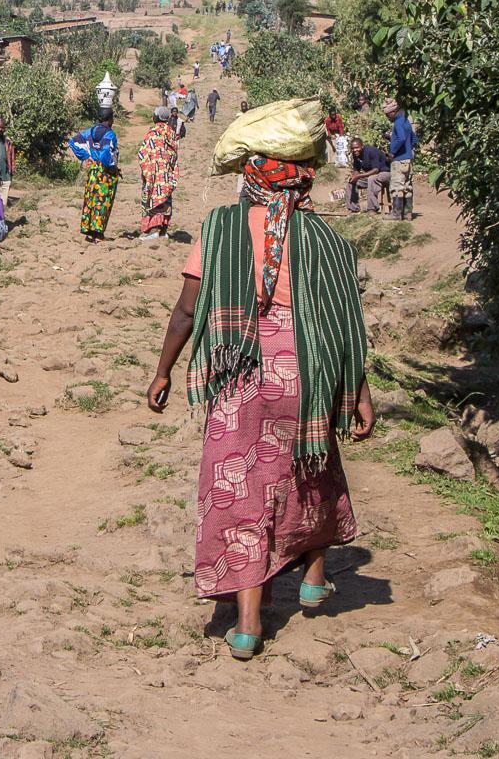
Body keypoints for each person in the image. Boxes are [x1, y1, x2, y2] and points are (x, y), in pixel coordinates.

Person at [147, 152, 374, 662]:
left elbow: (187, 310)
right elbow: (345, 325)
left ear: (251, 183)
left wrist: (164, 370)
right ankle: (313, 576)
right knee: (311, 466)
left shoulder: (222, 227)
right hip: (309, 367)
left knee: (241, 487)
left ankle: (248, 625)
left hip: (243, 367)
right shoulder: (327, 241)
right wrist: (359, 393)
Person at [69, 112, 120, 242]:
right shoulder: (109, 134)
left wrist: (86, 156)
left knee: (90, 199)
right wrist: (112, 166)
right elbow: (106, 153)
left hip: (93, 171)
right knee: (102, 201)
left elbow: (73, 141)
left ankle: (89, 231)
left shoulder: (90, 132)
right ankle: (98, 233)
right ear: (109, 119)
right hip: (105, 173)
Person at [138, 106, 179, 239]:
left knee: (154, 198)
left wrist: (147, 170)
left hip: (155, 173)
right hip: (167, 173)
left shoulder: (153, 133)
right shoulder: (171, 133)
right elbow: (173, 154)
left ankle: (154, 230)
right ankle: (163, 231)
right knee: (165, 198)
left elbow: (144, 152)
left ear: (156, 117)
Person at [384, 98, 418, 220]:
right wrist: (411, 150)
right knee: (407, 186)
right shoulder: (406, 121)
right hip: (408, 158)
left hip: (399, 159)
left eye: (388, 115)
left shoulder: (398, 123)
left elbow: (401, 138)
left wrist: (392, 152)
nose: (388, 117)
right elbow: (414, 139)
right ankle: (408, 213)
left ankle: (396, 213)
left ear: (393, 112)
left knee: (397, 186)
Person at [345, 136, 390, 214]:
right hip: (372, 175)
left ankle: (372, 209)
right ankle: (353, 208)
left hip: (385, 173)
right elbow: (356, 169)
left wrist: (358, 176)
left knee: (371, 179)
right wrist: (354, 176)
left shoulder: (371, 151)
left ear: (362, 146)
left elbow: (376, 170)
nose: (354, 150)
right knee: (351, 182)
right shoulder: (355, 154)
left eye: (357, 148)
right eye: (353, 148)